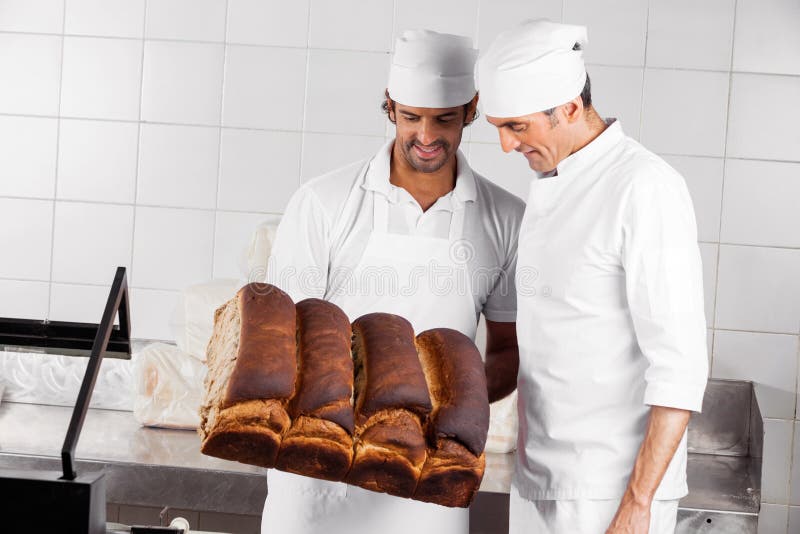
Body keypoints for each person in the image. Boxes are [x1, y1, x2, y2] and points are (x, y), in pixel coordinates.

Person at [261, 29, 525, 534]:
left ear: (471, 110)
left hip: (427, 493)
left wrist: (442, 405)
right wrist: (366, 400)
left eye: (444, 119)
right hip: (319, 488)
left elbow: (507, 352)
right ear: (388, 107)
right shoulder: (323, 203)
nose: (426, 136)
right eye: (411, 117)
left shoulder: (507, 220)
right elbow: (285, 344)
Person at [476, 19, 709, 534]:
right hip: (538, 480)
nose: (506, 147)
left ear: (570, 109)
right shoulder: (553, 182)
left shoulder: (644, 188)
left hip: (609, 493)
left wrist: (638, 503)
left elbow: (681, 367)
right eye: (498, 127)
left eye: (517, 127)